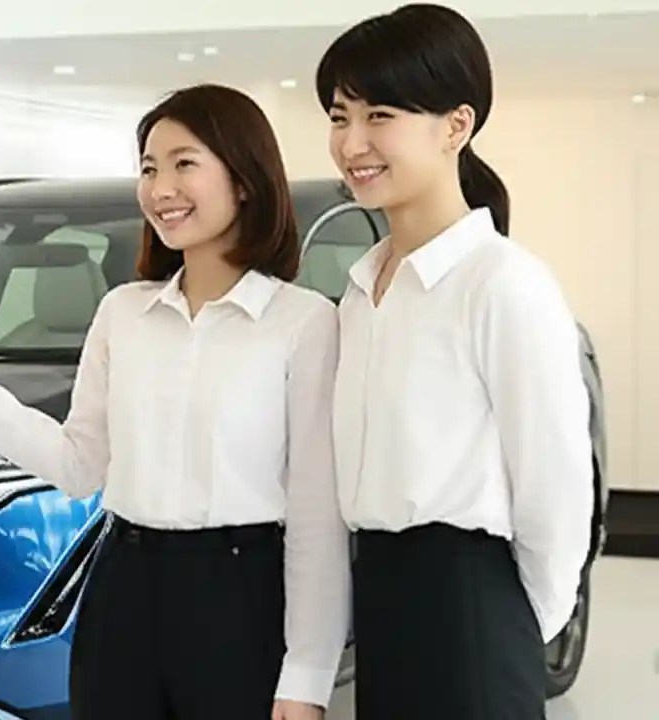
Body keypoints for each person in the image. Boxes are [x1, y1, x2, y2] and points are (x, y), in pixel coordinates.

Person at [0, 84, 350, 720]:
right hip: (123, 590)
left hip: (241, 596)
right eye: (149, 168)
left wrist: (307, 677)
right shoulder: (123, 313)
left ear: (244, 179)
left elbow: (317, 517)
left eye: (185, 164)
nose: (161, 189)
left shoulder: (303, 322)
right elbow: (79, 465)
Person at [316, 4, 594, 719]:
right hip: (380, 594)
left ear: (456, 125)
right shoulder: (361, 287)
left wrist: (511, 626)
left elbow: (556, 488)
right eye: (340, 116)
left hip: (468, 606)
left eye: (379, 115)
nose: (352, 143)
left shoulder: (503, 281)